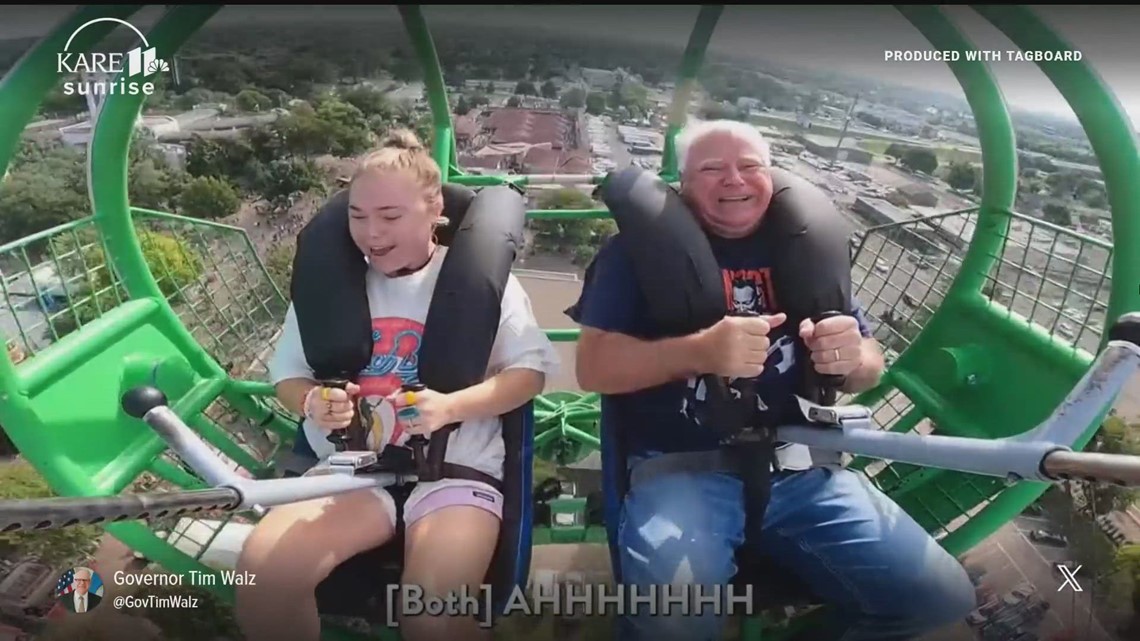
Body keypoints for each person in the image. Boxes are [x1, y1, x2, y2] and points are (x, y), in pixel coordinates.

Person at [568, 119, 977, 640]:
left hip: (801, 469)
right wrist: (700, 351)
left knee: (939, 597)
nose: (733, 181)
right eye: (711, 169)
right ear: (683, 184)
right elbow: (594, 367)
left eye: (749, 167)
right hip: (684, 468)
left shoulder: (802, 247)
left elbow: (869, 365)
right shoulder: (634, 257)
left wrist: (851, 356)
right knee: (673, 621)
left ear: (771, 176)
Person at [235, 129, 560, 641]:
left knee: (430, 616)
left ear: (436, 213)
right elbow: (289, 377)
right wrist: (313, 402)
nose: (371, 232)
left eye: (390, 216)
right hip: (355, 471)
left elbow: (527, 375)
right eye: (358, 216)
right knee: (263, 572)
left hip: (453, 472)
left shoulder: (478, 284)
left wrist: (450, 406)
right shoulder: (330, 290)